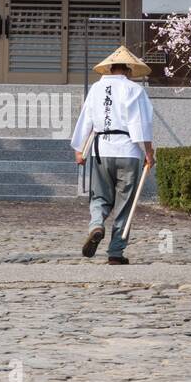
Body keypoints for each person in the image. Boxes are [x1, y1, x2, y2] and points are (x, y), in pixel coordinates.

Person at [70, 46, 154, 264]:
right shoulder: (135, 90)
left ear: (109, 69)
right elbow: (141, 123)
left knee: (99, 196)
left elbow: (86, 119)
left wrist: (80, 150)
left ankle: (97, 224)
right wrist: (149, 152)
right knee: (125, 202)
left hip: (102, 149)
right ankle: (116, 253)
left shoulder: (97, 89)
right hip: (129, 149)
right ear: (128, 70)